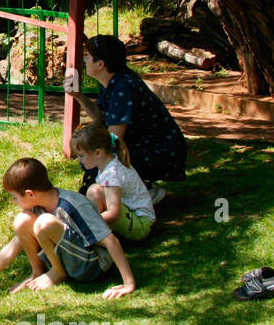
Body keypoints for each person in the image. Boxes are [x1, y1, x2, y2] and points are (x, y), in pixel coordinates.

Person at [0, 157, 137, 308]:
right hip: (73, 256)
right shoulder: (38, 205)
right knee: (22, 220)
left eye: (15, 197)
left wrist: (128, 283)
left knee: (44, 223)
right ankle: (38, 272)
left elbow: (110, 241)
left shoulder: (73, 205)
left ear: (30, 194)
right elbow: (12, 246)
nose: (14, 202)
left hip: (93, 264)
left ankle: (57, 273)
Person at [67, 34, 186, 202]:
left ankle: (142, 191)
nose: (85, 59)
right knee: (91, 154)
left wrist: (87, 151)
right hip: (149, 145)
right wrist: (78, 95)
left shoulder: (124, 86)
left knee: (97, 154)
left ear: (101, 64)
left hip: (160, 151)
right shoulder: (113, 81)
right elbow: (100, 117)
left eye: (89, 56)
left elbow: (113, 140)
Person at [71, 122, 156, 242]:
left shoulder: (112, 174)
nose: (78, 160)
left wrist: (86, 222)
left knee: (94, 191)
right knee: (95, 191)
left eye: (81, 155)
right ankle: (92, 234)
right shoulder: (111, 161)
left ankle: (91, 235)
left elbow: (113, 213)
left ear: (97, 152)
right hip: (135, 219)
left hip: (139, 225)